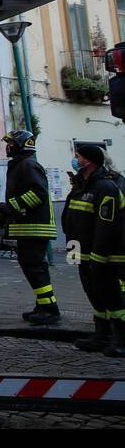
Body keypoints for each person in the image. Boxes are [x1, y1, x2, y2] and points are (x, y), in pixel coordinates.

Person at [0, 130, 60, 325]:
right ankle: (43, 305)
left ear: (22, 145)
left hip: (35, 228)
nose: (8, 147)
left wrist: (11, 206)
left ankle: (50, 309)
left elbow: (38, 193)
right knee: (31, 267)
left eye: (12, 143)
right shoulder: (21, 165)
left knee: (35, 268)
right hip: (28, 227)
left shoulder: (28, 165)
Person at [70, 145, 125, 357]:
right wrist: (72, 250)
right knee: (94, 295)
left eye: (78, 156)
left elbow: (106, 225)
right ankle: (102, 335)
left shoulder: (105, 187)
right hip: (79, 250)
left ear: (89, 161)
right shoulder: (83, 185)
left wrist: (99, 256)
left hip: (99, 254)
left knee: (112, 298)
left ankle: (121, 338)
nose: (75, 159)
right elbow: (72, 218)